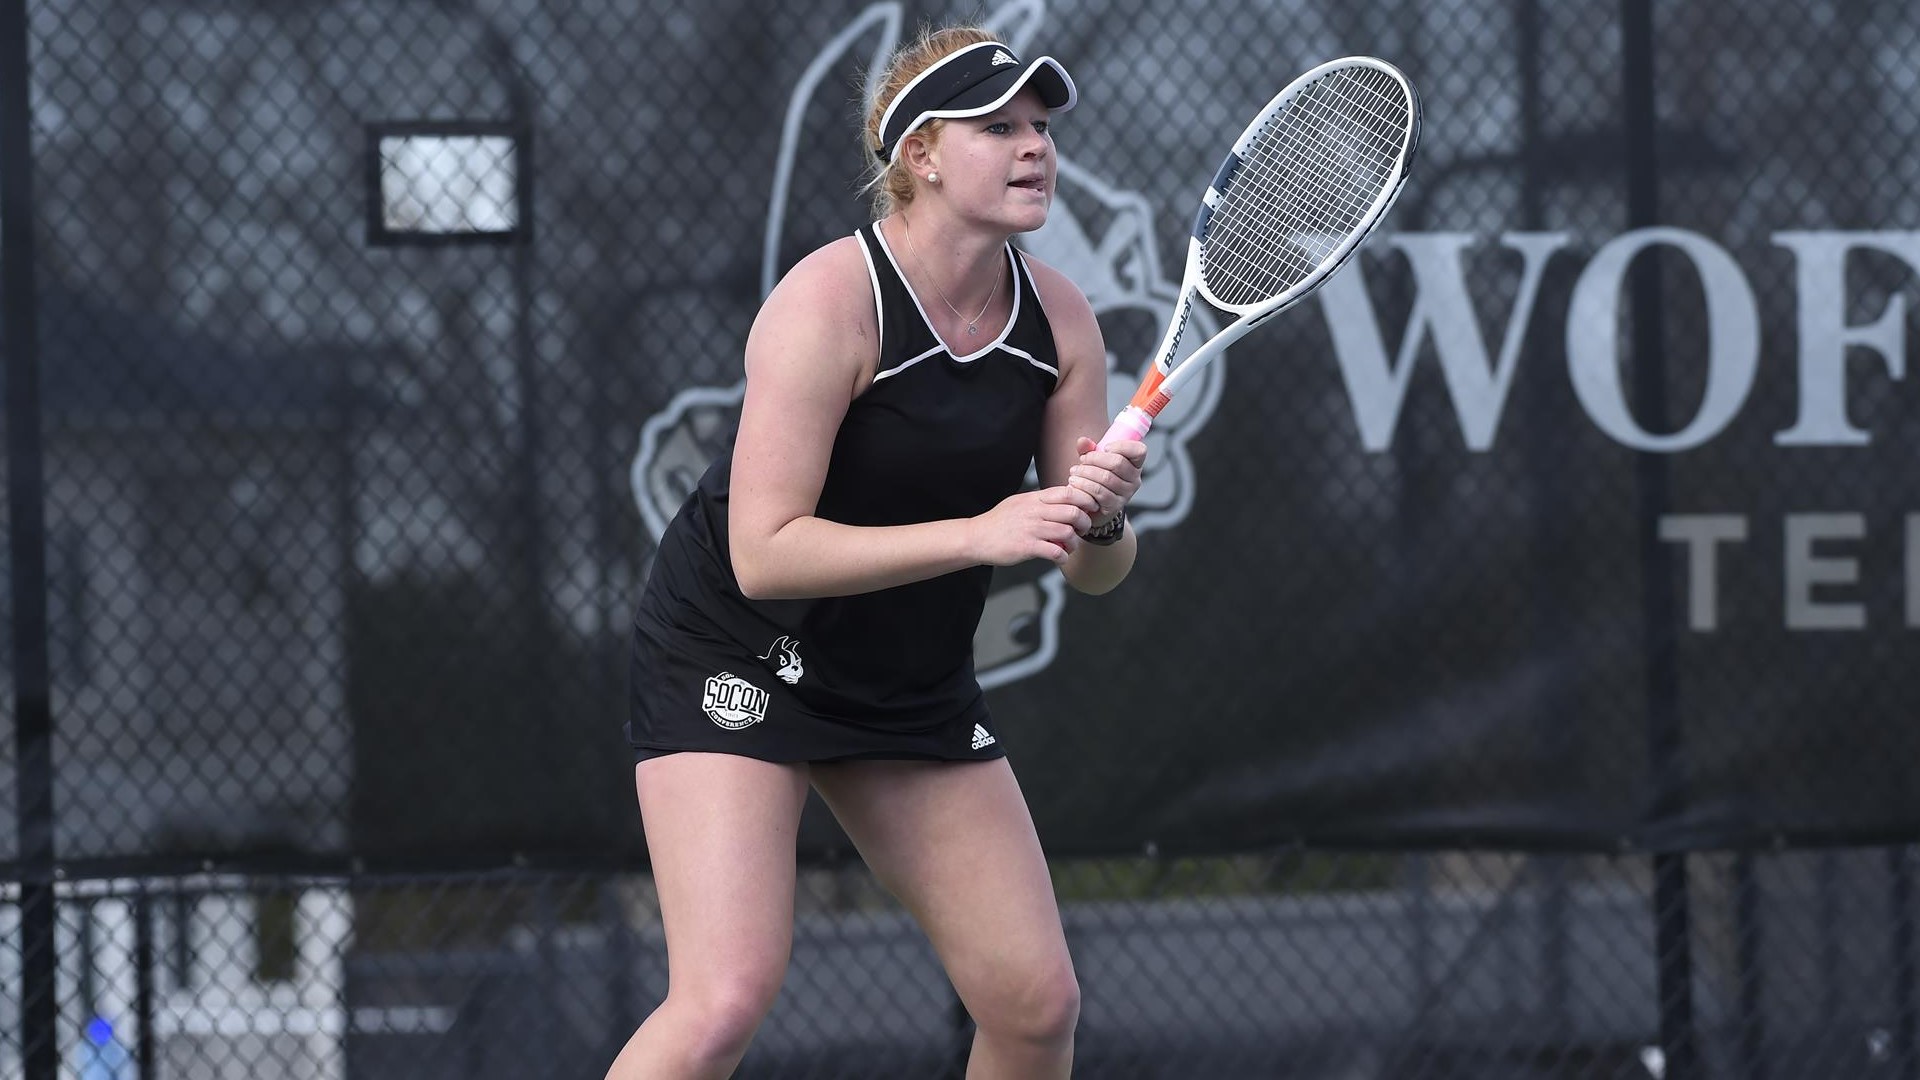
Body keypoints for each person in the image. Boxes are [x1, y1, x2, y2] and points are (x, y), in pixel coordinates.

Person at [607, 23, 1147, 1080]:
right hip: (737, 652)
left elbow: (1096, 570)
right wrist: (978, 534)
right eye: (999, 126)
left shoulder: (1061, 324)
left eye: (1041, 126)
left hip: (907, 681)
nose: (1036, 146)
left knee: (1035, 1005)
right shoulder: (827, 305)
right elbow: (763, 552)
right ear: (921, 155)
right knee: (722, 999)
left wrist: (1103, 520)